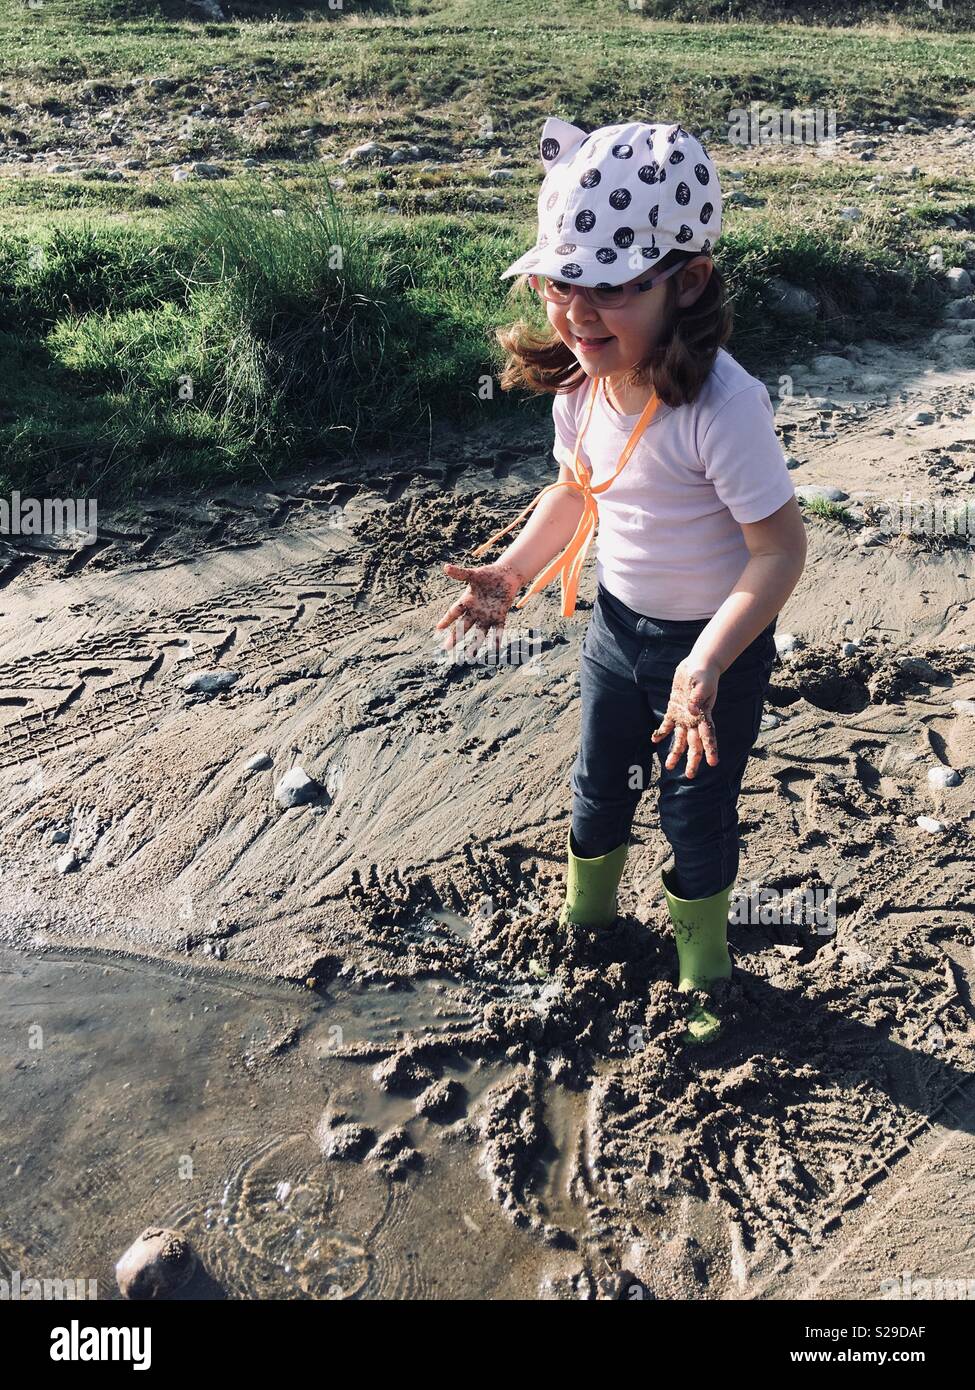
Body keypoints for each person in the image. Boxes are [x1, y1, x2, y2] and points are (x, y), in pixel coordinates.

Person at [435, 117, 807, 1044]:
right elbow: (575, 492)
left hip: (710, 655)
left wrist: (708, 661)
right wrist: (514, 573)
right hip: (615, 630)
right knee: (599, 785)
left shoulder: (724, 409)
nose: (577, 311)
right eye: (561, 282)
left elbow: (778, 552)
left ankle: (703, 969)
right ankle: (587, 920)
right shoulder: (579, 387)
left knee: (692, 808)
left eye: (609, 286)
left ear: (686, 281)